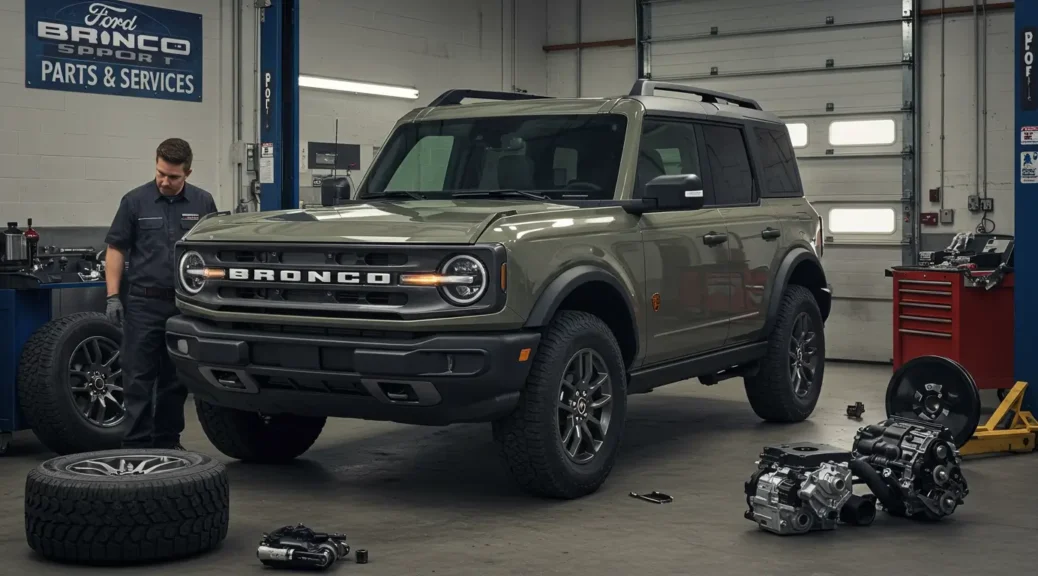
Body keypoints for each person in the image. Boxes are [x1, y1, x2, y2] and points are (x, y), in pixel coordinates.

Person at [104, 138, 218, 449]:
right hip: (143, 303)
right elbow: (115, 249)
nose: (165, 181)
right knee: (137, 377)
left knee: (175, 378)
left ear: (188, 172)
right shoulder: (134, 201)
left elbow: (212, 253)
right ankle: (137, 443)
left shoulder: (203, 203)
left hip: (184, 305)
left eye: (173, 176)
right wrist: (113, 296)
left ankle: (168, 441)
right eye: (160, 173)